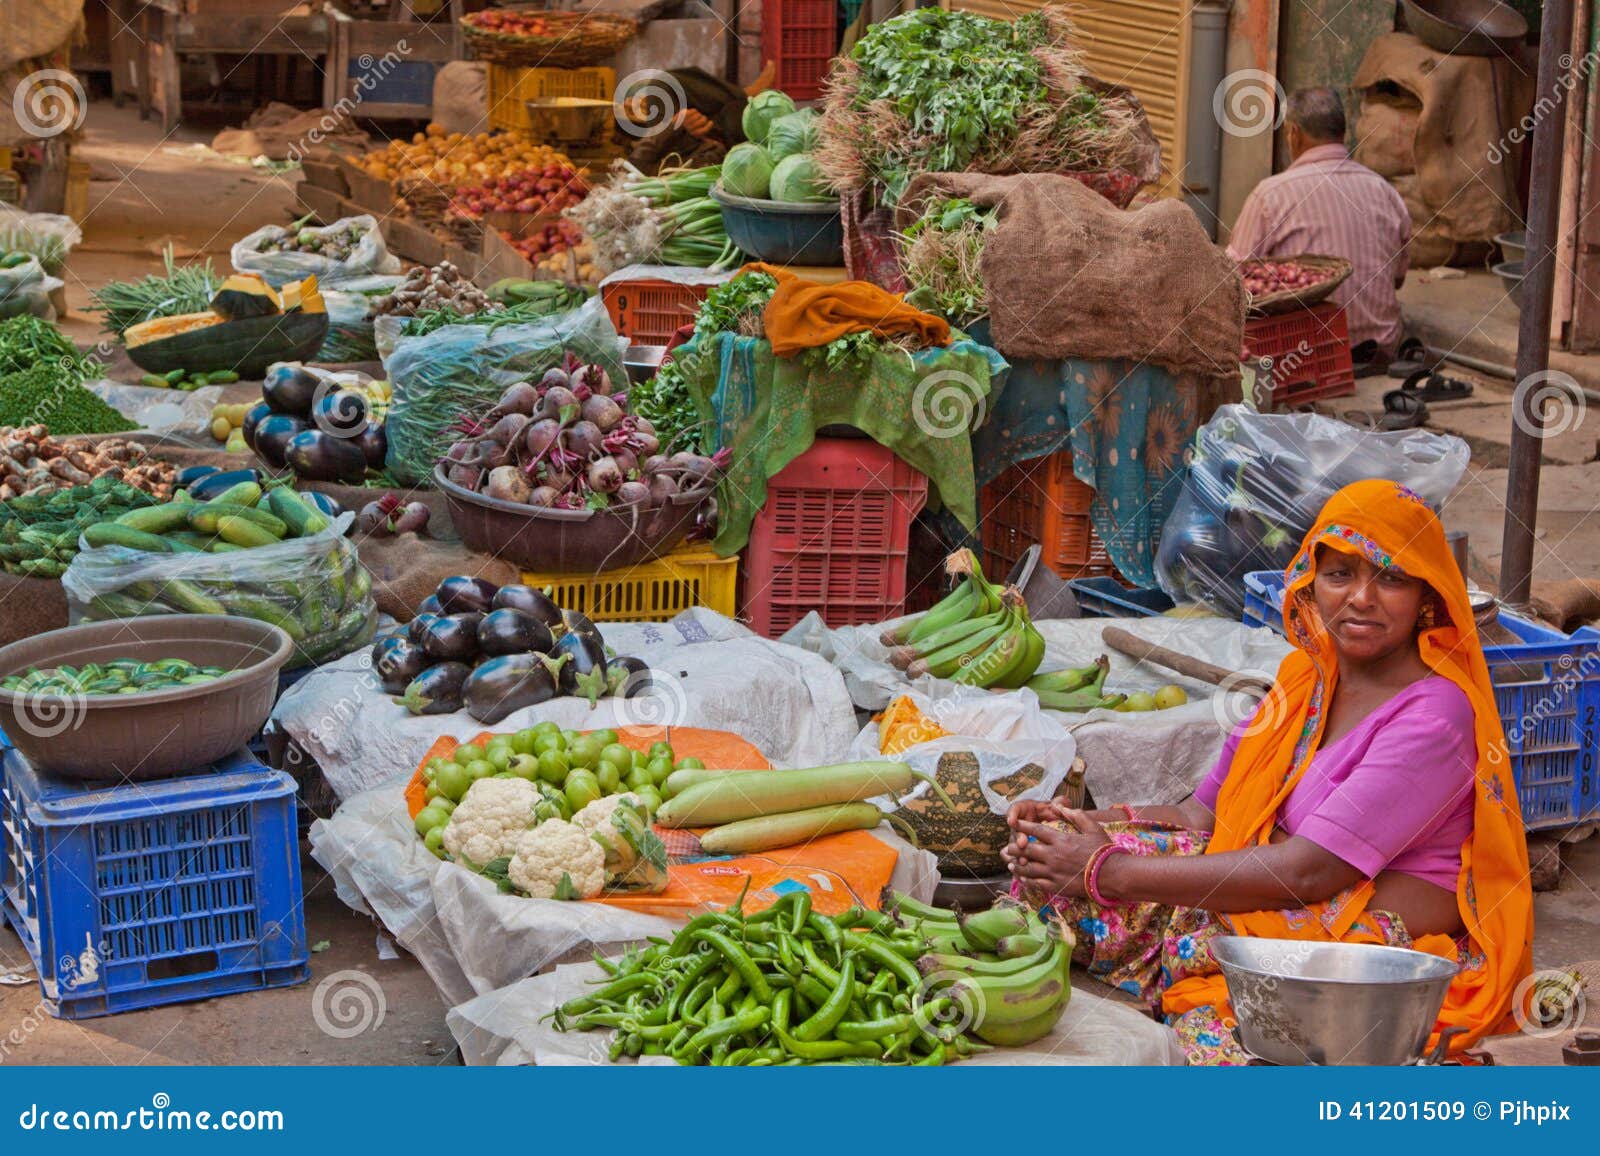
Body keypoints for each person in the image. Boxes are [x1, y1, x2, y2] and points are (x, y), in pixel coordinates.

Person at [1003, 478, 1533, 1065]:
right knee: (1050, 868)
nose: (1361, 598)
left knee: (1213, 1020)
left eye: (1391, 578)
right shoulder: (1304, 679)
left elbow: (1309, 872)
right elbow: (1200, 814)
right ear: (1311, 581)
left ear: (1426, 595)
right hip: (1281, 887)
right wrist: (1072, 824)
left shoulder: (1435, 715)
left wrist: (1113, 871)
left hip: (1358, 933)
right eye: (1340, 574)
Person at [1227, 87, 1413, 369]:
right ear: (1342, 133)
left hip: (1305, 356)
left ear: (1294, 134)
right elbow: (1398, 279)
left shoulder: (1270, 195)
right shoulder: (1383, 189)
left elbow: (1233, 279)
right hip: (1380, 351)